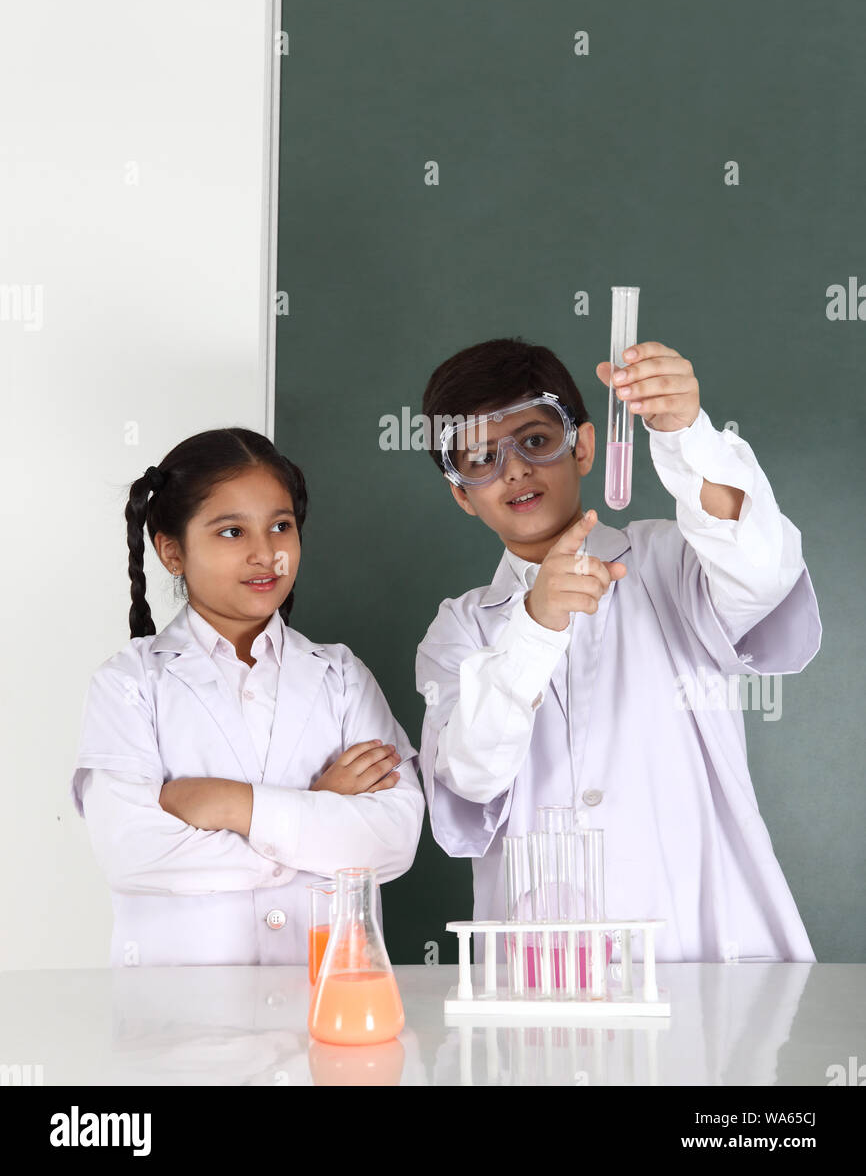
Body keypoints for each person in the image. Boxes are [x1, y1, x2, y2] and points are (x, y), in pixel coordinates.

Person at [416, 337, 821, 962]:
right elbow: (470, 774)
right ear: (461, 495)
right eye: (480, 460)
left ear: (583, 447)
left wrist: (688, 434)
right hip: (544, 973)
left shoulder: (668, 561)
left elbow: (762, 572)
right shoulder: (461, 629)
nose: (515, 470)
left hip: (699, 955)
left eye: (535, 440)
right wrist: (535, 625)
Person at [71, 427, 424, 966]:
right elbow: (134, 853)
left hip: (328, 1010)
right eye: (232, 532)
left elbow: (393, 841)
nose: (266, 554)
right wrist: (318, 817)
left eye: (280, 526)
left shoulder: (343, 676)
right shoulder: (130, 684)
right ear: (171, 551)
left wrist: (230, 805)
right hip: (181, 1022)